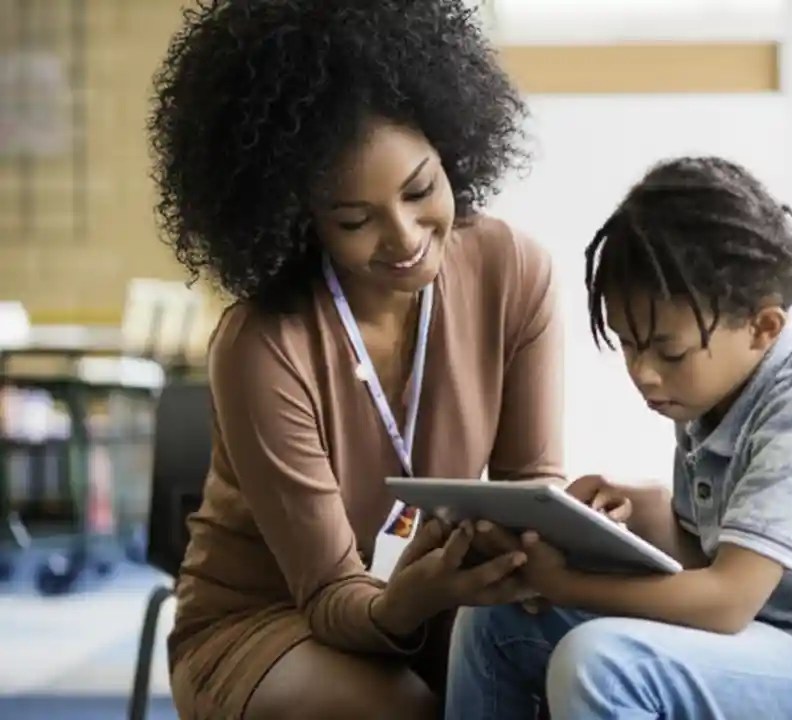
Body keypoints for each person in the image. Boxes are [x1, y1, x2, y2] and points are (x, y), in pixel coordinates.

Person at [147, 1, 563, 718]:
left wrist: (554, 545)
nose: (403, 236)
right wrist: (413, 600)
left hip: (439, 608)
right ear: (300, 219)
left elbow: (535, 492)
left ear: (452, 147)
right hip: (270, 624)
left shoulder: (513, 273)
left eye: (421, 190)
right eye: (354, 219)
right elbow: (331, 595)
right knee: (400, 711)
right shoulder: (263, 344)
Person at [448, 157, 792, 719]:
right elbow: (710, 563)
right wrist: (643, 518)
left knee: (601, 661)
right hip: (781, 640)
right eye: (627, 344)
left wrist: (568, 583)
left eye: (668, 351)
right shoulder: (706, 396)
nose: (644, 372)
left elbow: (726, 601)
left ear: (764, 327)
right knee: (496, 618)